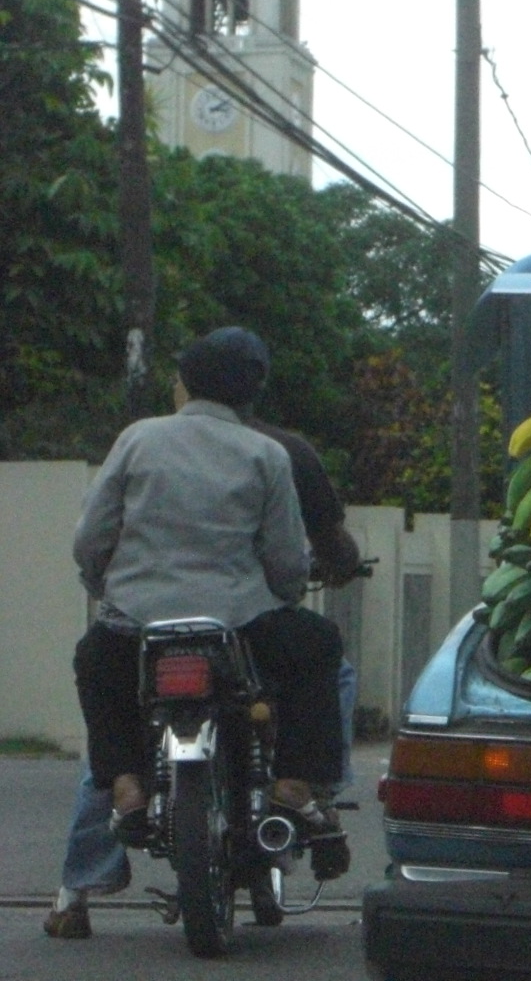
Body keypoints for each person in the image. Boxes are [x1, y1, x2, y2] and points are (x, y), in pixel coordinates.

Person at [44, 362, 369, 940]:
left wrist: (106, 588)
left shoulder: (138, 437)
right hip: (237, 626)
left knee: (109, 705)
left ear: (184, 386)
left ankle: (106, 823)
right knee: (323, 655)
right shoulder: (277, 452)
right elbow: (293, 558)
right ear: (254, 392)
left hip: (137, 626)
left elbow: (90, 536)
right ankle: (302, 786)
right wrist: (285, 593)